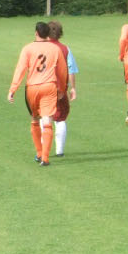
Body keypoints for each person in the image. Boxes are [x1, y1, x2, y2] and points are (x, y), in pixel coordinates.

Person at [7, 21, 68, 167]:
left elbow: (20, 69)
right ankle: (45, 158)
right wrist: (62, 89)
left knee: (35, 119)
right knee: (47, 120)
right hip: (49, 86)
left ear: (36, 33)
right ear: (48, 34)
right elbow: (62, 71)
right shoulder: (55, 49)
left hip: (32, 88)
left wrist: (13, 89)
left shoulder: (27, 48)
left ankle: (39, 153)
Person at [47, 20, 79, 157]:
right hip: (59, 89)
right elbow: (71, 70)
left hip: (42, 86)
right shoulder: (65, 49)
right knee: (60, 118)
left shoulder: (40, 47)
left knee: (44, 117)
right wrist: (73, 88)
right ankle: (59, 150)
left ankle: (42, 150)